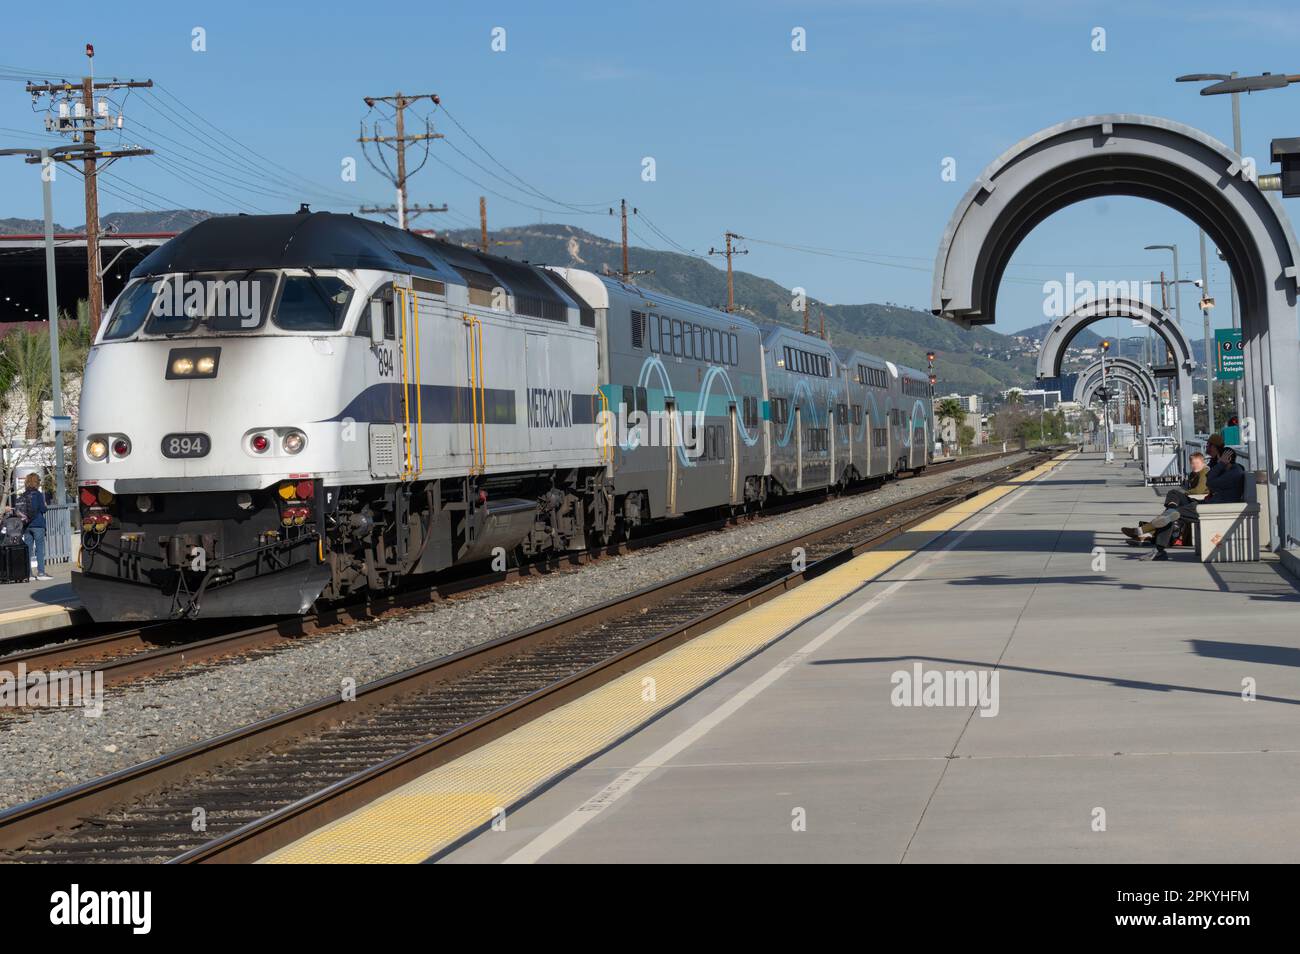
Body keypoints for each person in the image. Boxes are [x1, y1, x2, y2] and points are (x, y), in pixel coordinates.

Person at [1129, 447, 1246, 561]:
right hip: (1207, 504)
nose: (1217, 460)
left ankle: (1158, 546)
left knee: (1172, 515)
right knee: (1174, 494)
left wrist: (1220, 465)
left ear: (1227, 459)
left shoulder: (1234, 473)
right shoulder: (1230, 470)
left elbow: (1210, 482)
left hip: (1211, 509)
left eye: (1220, 458)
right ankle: (1170, 510)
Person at [1121, 451, 1209, 544]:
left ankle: (1143, 532)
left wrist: (1186, 493)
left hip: (1199, 501)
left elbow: (1200, 490)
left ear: (1203, 463)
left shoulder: (1204, 472)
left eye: (1197, 463)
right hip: (1194, 500)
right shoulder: (1193, 474)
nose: (1194, 465)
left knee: (1172, 504)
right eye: (1192, 463)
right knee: (1172, 499)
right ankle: (1146, 531)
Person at [16, 472, 51, 581]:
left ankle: (29, 574)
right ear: (37, 482)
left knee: (28, 550)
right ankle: (41, 573)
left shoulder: (23, 495)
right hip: (38, 525)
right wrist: (45, 506)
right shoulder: (38, 495)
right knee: (40, 549)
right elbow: (43, 509)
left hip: (26, 525)